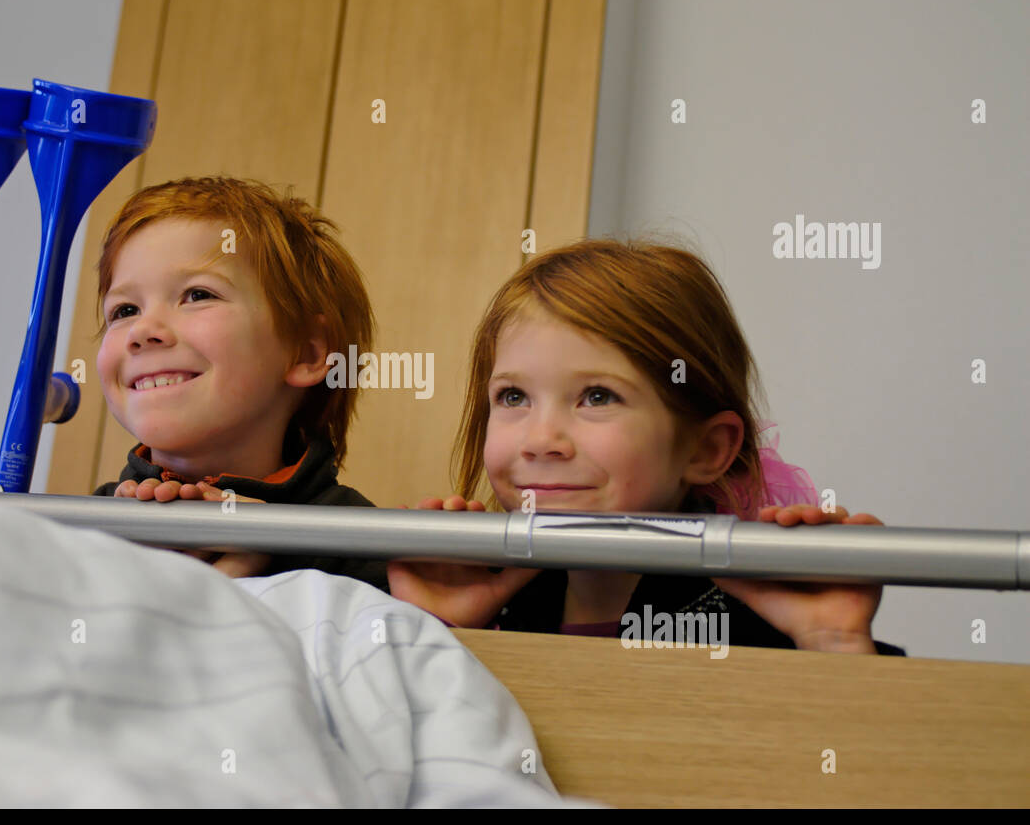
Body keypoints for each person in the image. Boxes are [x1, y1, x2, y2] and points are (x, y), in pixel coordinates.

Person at [388, 238, 905, 655]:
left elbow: (843, 774)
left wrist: (831, 641)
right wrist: (434, 635)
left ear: (705, 450)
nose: (541, 440)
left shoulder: (764, 629)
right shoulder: (478, 611)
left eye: (597, 396)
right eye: (513, 396)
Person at [91, 176, 387, 589]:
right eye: (124, 309)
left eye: (197, 295)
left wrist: (269, 554)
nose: (143, 330)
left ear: (306, 354)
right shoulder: (80, 537)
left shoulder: (366, 554)